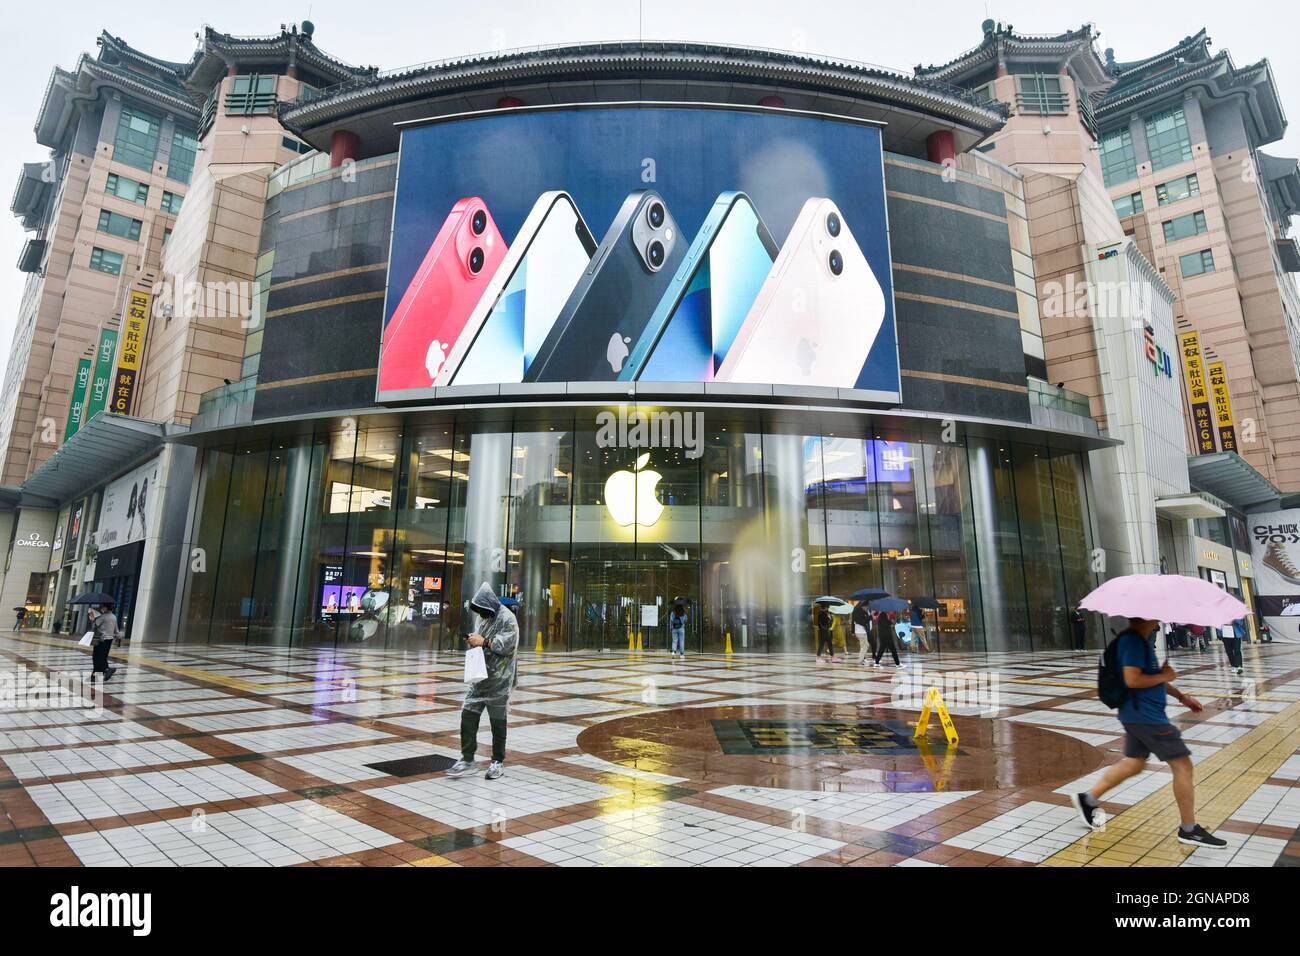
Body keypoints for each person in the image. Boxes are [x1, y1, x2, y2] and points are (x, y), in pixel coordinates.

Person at [1070, 616, 1226, 849]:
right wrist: (1166, 675)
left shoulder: (1139, 642)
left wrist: (1181, 697)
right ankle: (1189, 829)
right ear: (1147, 618)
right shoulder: (1133, 643)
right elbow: (1133, 680)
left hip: (1137, 715)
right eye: (1156, 618)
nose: (1159, 621)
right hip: (1147, 718)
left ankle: (1088, 799)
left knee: (1134, 763)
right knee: (1183, 766)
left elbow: (1152, 678)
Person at [447, 584, 519, 781]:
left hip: (500, 680)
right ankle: (467, 759)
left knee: (498, 722)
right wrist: (474, 640)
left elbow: (508, 645)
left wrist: (485, 641)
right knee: (468, 714)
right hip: (480, 677)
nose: (481, 614)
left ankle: (497, 761)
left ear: (490, 605)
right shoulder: (483, 618)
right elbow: (482, 638)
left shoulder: (507, 619)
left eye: (483, 609)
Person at [87, 603, 120, 683]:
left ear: (106, 607)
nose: (102, 608)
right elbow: (116, 630)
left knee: (96, 657)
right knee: (103, 656)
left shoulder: (103, 616)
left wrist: (92, 618)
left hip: (101, 639)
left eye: (103, 607)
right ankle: (99, 673)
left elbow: (94, 625)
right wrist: (118, 638)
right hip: (109, 640)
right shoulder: (114, 617)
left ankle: (105, 670)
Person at [852, 600, 873, 665]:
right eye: (867, 607)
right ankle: (860, 660)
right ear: (864, 606)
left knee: (865, 645)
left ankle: (863, 659)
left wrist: (852, 631)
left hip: (859, 632)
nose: (867, 608)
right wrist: (870, 617)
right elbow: (864, 622)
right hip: (861, 632)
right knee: (864, 646)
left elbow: (854, 622)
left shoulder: (856, 610)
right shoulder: (860, 613)